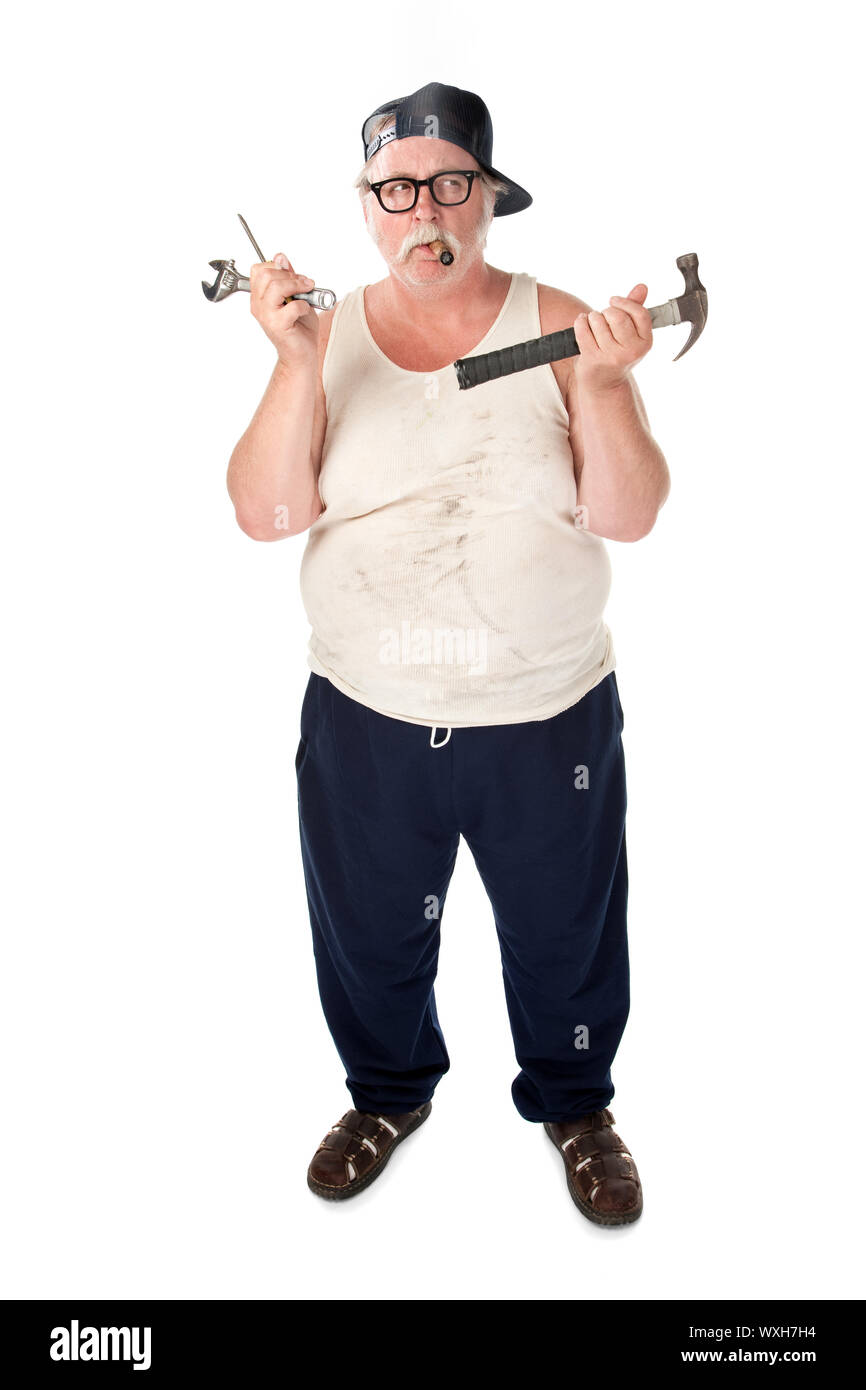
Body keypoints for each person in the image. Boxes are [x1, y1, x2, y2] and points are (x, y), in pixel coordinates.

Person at [226, 81, 669, 1226]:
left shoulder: (558, 322)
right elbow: (268, 517)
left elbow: (623, 515)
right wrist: (288, 366)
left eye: (449, 183)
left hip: (542, 715)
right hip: (366, 714)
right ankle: (385, 1093)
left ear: (486, 199)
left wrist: (609, 386)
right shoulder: (317, 339)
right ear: (368, 206)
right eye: (396, 188)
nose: (423, 208)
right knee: (367, 936)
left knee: (564, 933)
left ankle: (576, 1106)